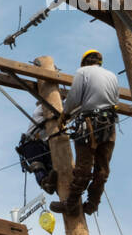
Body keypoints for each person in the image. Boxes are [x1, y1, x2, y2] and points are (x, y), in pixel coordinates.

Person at [50, 49, 120, 217]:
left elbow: (74, 98)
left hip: (89, 125)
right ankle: (92, 204)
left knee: (83, 168)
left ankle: (71, 204)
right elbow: (114, 100)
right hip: (109, 126)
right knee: (102, 169)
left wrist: (64, 115)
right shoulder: (112, 76)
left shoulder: (83, 72)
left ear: (85, 62)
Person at [16, 102, 58, 195]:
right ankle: (45, 184)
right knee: (38, 165)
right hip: (31, 144)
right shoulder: (42, 108)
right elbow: (62, 108)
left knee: (53, 169)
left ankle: (61, 190)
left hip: (44, 145)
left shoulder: (55, 121)